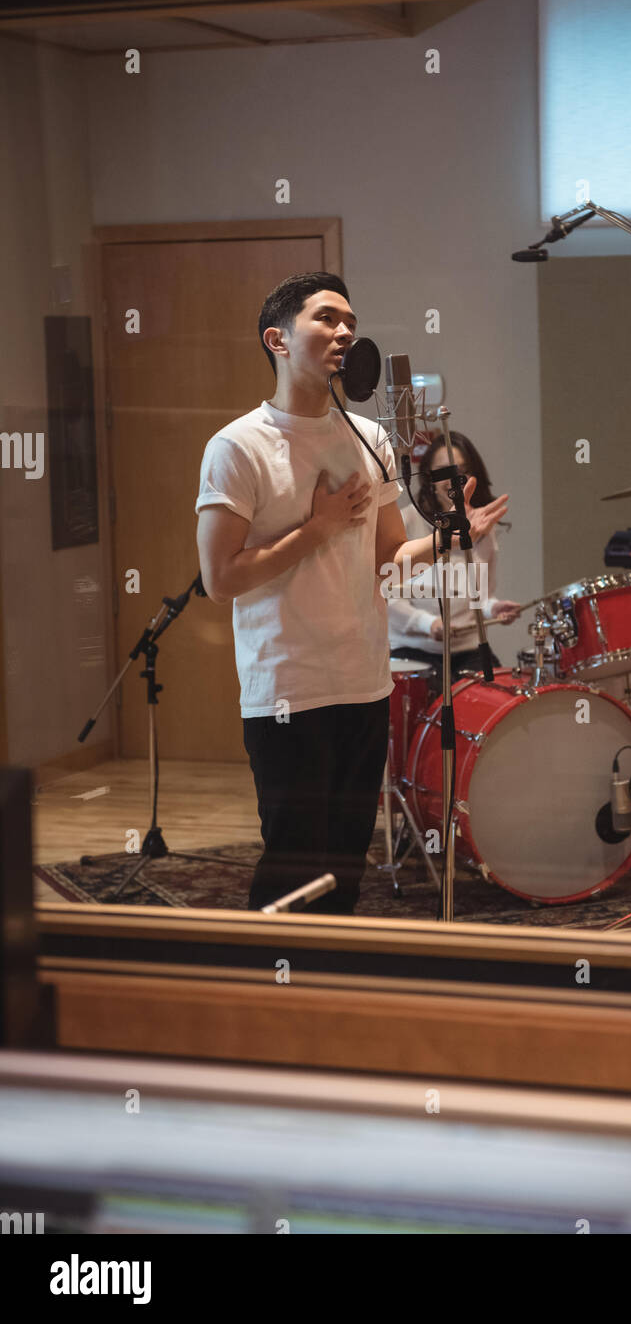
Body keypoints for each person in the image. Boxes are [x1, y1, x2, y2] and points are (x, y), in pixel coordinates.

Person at [195, 273, 509, 914]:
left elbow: (387, 561)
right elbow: (219, 578)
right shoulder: (237, 446)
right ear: (277, 340)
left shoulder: (371, 440)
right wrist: (318, 529)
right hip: (288, 689)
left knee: (343, 869)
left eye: (350, 321)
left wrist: (452, 538)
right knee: (292, 865)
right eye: (326, 318)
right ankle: (266, 995)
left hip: (365, 684)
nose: (344, 332)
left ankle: (329, 996)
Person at [387, 432, 521, 691]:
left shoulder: (483, 529)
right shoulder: (406, 523)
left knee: (495, 702)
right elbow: (388, 597)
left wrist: (494, 608)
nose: (454, 479)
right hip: (414, 651)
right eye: (443, 471)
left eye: (462, 470)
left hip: (467, 649)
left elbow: (478, 598)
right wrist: (430, 624)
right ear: (428, 477)